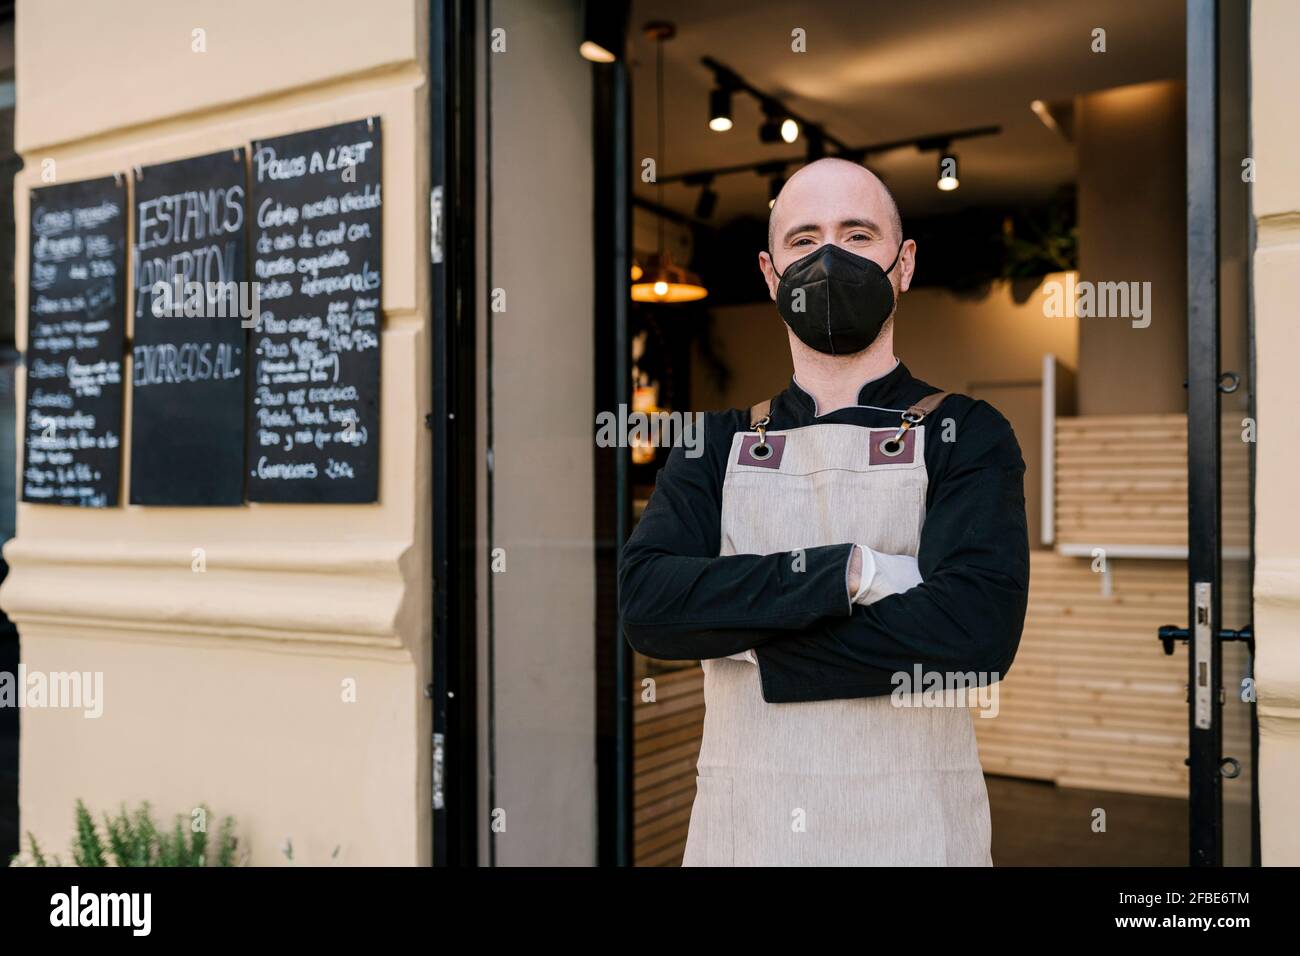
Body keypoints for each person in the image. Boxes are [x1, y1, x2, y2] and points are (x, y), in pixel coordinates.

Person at [618, 157, 1030, 866]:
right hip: (746, 836)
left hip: (917, 836)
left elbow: (974, 634)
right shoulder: (714, 443)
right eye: (804, 240)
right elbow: (649, 607)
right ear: (770, 275)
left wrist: (746, 641)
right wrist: (855, 572)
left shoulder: (968, 430)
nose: (830, 257)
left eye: (857, 234)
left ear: (903, 265)